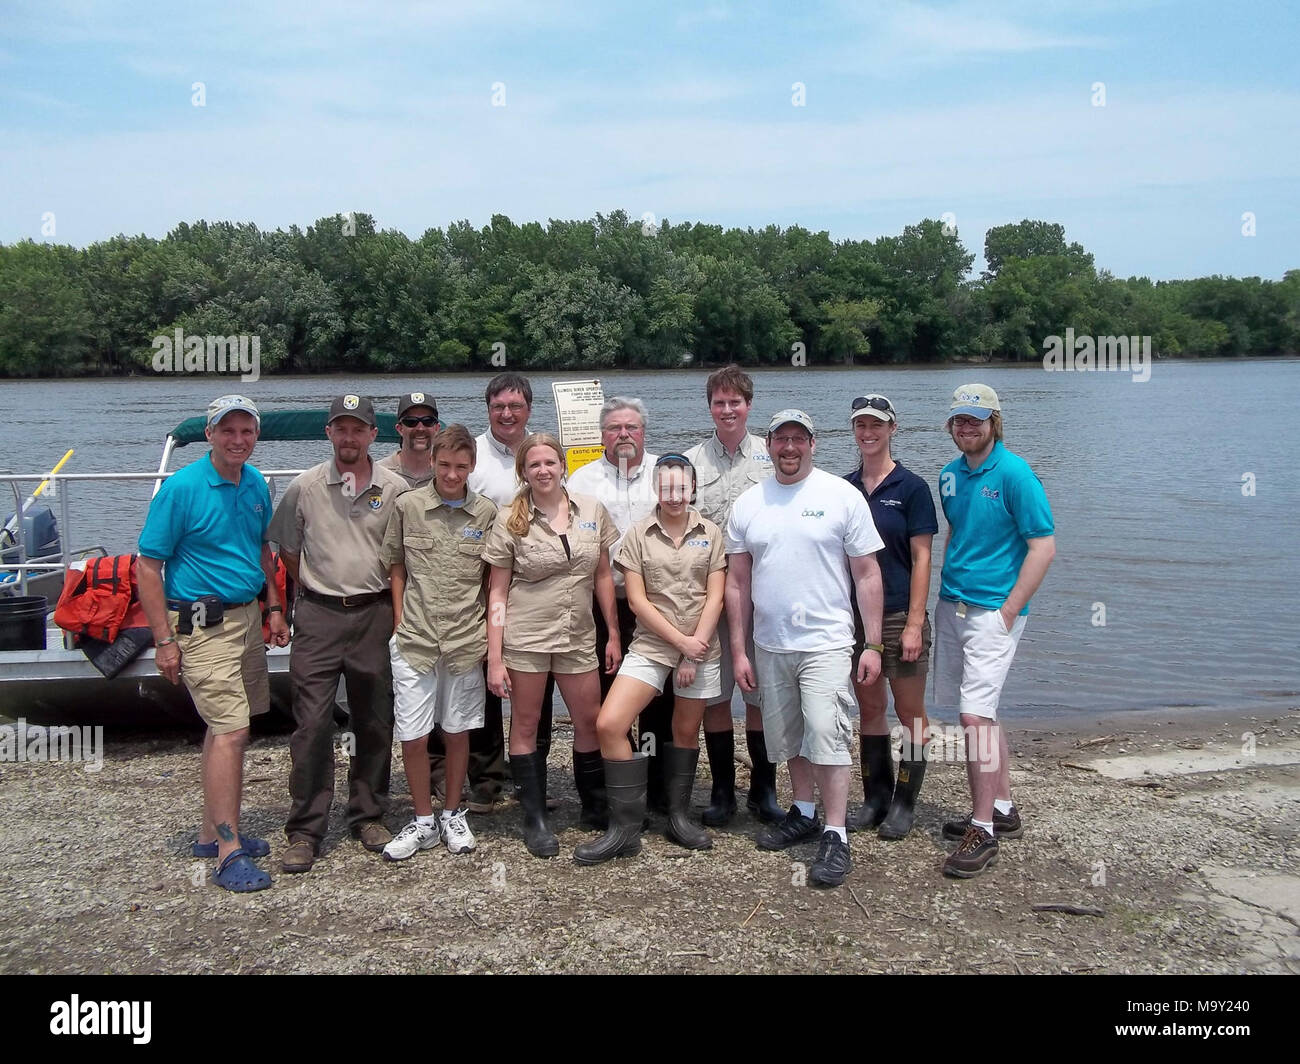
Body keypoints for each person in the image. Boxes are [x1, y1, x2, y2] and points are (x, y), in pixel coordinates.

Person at [726, 410, 885, 889]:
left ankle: (836, 833)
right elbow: (737, 582)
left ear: (813, 444)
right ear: (768, 445)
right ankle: (805, 810)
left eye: (799, 439)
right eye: (781, 439)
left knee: (826, 733)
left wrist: (872, 642)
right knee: (788, 736)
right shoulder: (749, 503)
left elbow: (867, 573)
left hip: (827, 642)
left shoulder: (841, 496)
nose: (789, 448)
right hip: (770, 644)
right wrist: (738, 650)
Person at [137, 394, 290, 893]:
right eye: (228, 431)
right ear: (210, 435)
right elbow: (148, 566)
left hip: (247, 620)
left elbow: (262, 551)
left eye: (247, 431)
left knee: (225, 727)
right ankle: (228, 853)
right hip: (202, 626)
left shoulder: (254, 484)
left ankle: (211, 832)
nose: (238, 440)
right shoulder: (180, 490)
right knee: (231, 732)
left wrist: (272, 607)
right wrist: (163, 641)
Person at [268, 394, 408, 874]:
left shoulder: (395, 489)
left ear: (374, 434)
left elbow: (402, 558)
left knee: (374, 719)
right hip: (319, 615)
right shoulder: (304, 487)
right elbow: (285, 551)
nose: (349, 437)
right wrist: (296, 598)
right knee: (311, 725)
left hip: (374, 614)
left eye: (359, 429)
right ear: (329, 433)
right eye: (340, 428)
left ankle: (368, 814)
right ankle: (305, 829)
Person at [574, 455, 727, 864]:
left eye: (681, 488)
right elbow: (638, 602)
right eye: (666, 488)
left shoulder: (710, 533)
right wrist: (680, 642)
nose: (674, 496)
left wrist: (696, 645)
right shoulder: (638, 535)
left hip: (701, 645)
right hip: (653, 645)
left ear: (692, 489)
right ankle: (625, 826)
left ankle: (678, 816)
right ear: (656, 490)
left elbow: (715, 595)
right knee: (609, 723)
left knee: (684, 732)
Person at [934, 384, 1055, 878]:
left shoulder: (1015, 473)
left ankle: (981, 828)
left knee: (973, 718)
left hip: (993, 613)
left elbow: (1043, 547)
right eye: (960, 420)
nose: (967, 428)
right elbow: (956, 535)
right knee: (985, 711)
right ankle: (1001, 806)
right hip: (953, 607)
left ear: (994, 422)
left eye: (976, 420)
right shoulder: (948, 476)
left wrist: (1010, 611)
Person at [482, 433, 621, 857]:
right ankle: (535, 818)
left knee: (590, 720)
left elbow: (601, 576)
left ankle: (595, 807)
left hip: (578, 635)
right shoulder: (510, 518)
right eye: (534, 465)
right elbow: (498, 593)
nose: (543, 471)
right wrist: (495, 656)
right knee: (525, 726)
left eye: (550, 463)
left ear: (563, 465)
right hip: (527, 637)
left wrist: (613, 633)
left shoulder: (591, 510)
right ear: (523, 472)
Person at [379, 424, 497, 860]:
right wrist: (398, 620)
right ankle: (423, 819)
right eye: (445, 465)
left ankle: (452, 812)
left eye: (461, 466)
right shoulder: (407, 506)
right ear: (432, 463)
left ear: (472, 466)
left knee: (457, 730)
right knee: (412, 732)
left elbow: (491, 578)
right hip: (415, 638)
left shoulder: (486, 513)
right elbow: (395, 565)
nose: (451, 474)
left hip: (466, 640)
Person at [439, 373, 554, 813]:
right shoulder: (475, 457)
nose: (507, 414)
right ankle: (486, 780)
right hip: (482, 583)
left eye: (515, 406)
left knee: (535, 685)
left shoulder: (541, 451)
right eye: (498, 406)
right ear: (488, 409)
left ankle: (534, 774)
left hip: (534, 591)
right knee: (485, 682)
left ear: (529, 408)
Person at [684, 365, 783, 826]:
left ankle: (764, 790)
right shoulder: (690, 463)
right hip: (708, 599)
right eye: (719, 403)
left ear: (749, 405)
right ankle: (722, 791)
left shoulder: (773, 455)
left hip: (762, 595)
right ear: (709, 407)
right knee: (716, 695)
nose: (727, 410)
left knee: (761, 694)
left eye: (735, 402)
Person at [567, 397, 674, 812]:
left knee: (658, 701)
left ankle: (661, 793)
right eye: (614, 428)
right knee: (608, 697)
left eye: (631, 427)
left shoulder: (664, 477)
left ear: (644, 431)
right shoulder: (582, 480)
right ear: (601, 435)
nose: (623, 435)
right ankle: (616, 791)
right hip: (604, 603)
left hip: (659, 604)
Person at [842, 395, 938, 839]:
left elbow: (922, 559)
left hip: (900, 611)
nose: (868, 433)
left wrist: (916, 621)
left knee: (910, 710)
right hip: (857, 616)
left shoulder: (912, 488)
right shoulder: (843, 488)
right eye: (861, 425)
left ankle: (904, 801)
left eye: (876, 425)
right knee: (871, 706)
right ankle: (874, 796)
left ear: (892, 428)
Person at [379, 392, 440, 488]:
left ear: (437, 428)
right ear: (399, 429)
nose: (420, 429)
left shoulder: (446, 475)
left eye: (428, 421)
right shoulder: (379, 472)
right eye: (411, 421)